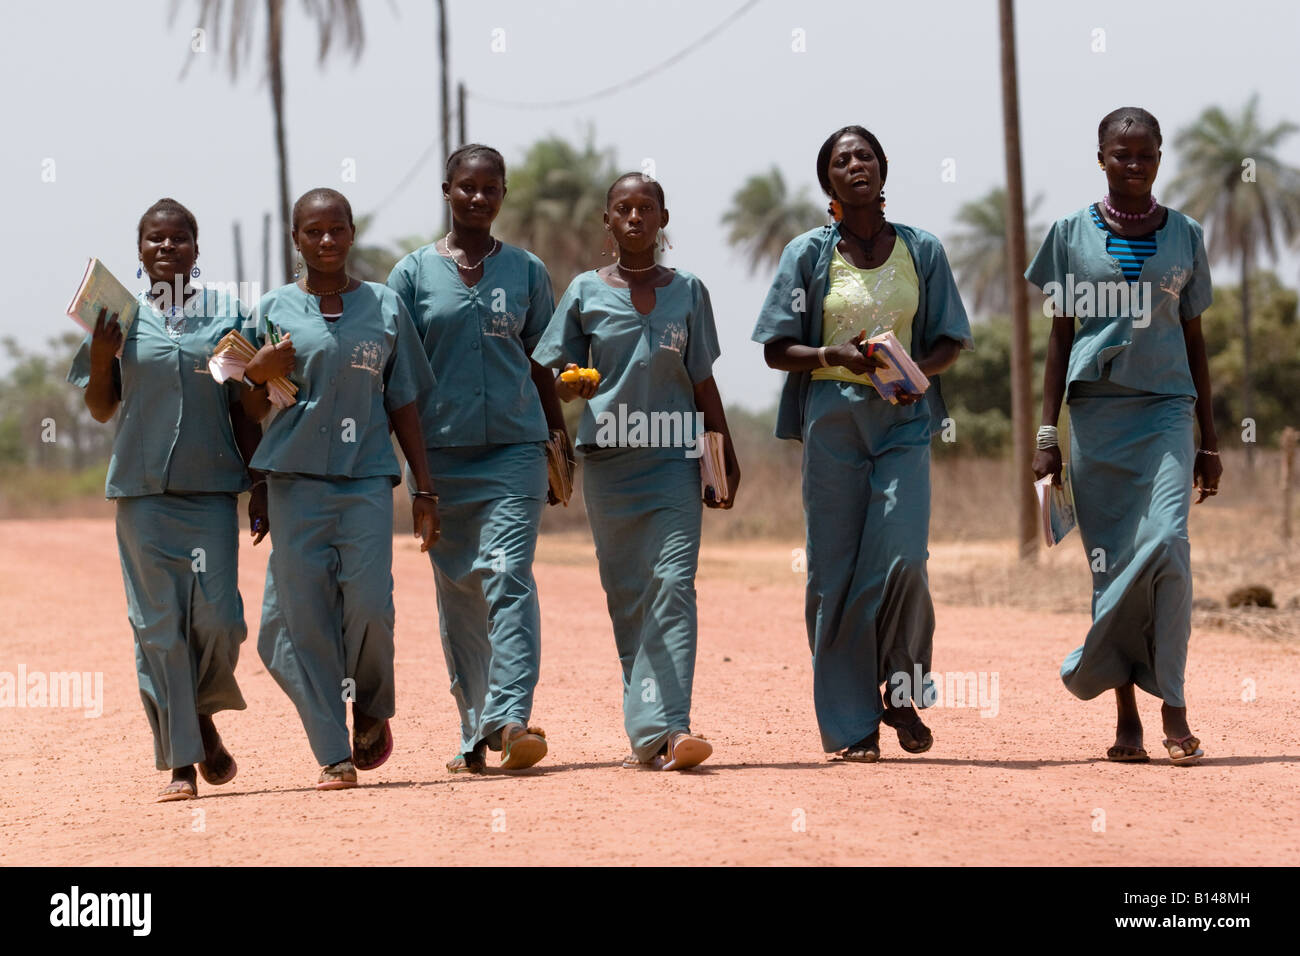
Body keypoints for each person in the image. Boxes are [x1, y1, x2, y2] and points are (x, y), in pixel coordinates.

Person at [752, 126, 972, 763]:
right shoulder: (806, 255)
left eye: (866, 156)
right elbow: (775, 349)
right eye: (842, 160)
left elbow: (951, 338)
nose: (856, 165)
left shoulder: (921, 249)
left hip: (903, 416)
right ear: (828, 182)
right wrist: (831, 354)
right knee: (834, 572)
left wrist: (919, 373)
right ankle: (853, 725)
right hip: (832, 418)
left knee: (904, 555)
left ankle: (900, 689)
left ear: (882, 170)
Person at [1026, 107, 1218, 766]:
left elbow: (1196, 340)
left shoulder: (1186, 235)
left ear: (1161, 158)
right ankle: (1127, 714)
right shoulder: (1068, 236)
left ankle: (1175, 705)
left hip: (1166, 409)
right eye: (1121, 154)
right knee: (1111, 570)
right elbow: (1059, 338)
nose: (1134, 165)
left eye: (1146, 154)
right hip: (1098, 418)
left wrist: (1210, 439)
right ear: (1101, 157)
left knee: (1166, 545)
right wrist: (1048, 432)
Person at [533, 172, 740, 771]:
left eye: (645, 208)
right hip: (608, 462)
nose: (633, 217)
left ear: (663, 219)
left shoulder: (690, 291)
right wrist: (572, 388)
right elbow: (551, 366)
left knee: (673, 586)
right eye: (622, 208)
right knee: (628, 597)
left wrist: (723, 450)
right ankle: (648, 734)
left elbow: (702, 378)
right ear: (607, 222)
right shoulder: (582, 292)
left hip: (674, 459)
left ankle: (673, 727)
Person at [242, 187, 438, 790]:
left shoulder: (383, 306)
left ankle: (372, 704)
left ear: (352, 233)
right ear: (296, 240)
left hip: (367, 481)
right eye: (312, 232)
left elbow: (402, 399)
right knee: (304, 622)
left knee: (371, 605)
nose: (326, 241)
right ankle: (333, 753)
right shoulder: (271, 309)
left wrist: (424, 488)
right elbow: (248, 408)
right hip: (295, 481)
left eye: (337, 229)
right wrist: (258, 375)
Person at [70, 198, 264, 802]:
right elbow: (101, 406)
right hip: (142, 495)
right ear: (139, 250)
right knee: (159, 628)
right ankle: (182, 760)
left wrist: (260, 484)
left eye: (178, 239)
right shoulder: (119, 319)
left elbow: (245, 406)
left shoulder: (227, 314)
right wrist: (104, 360)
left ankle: (200, 716)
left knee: (220, 620)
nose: (165, 248)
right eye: (154, 240)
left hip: (210, 492)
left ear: (196, 250)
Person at [387, 144, 569, 774]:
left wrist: (556, 438)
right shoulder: (409, 276)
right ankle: (475, 730)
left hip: (515, 450)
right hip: (438, 457)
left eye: (490, 189)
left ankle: (514, 716)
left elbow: (543, 362)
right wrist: (418, 479)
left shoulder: (525, 272)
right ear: (447, 190)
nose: (478, 199)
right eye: (467, 188)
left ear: (502, 195)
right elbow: (398, 381)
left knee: (508, 574)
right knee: (459, 591)